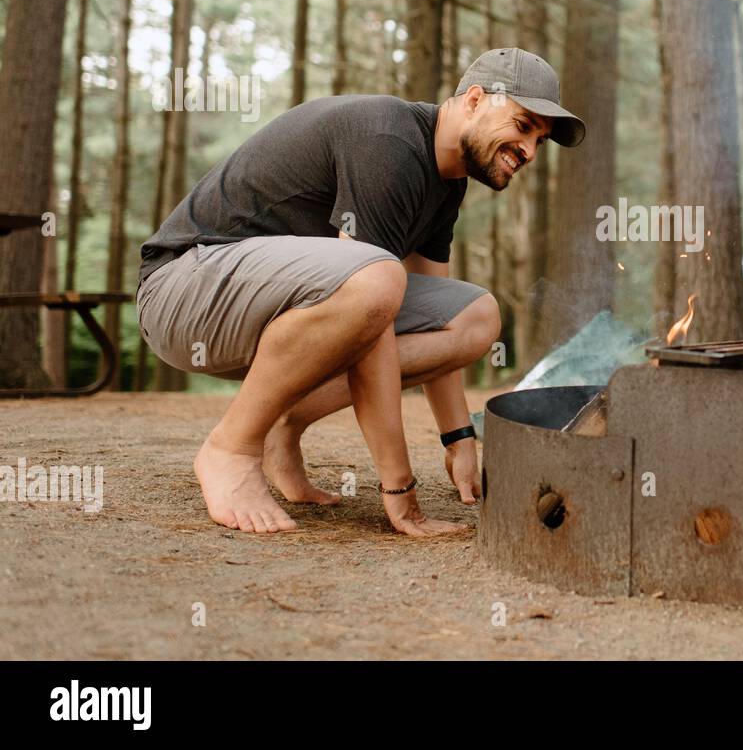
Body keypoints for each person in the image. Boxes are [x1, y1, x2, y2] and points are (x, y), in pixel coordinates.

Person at [135, 48, 584, 536]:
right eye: (522, 125)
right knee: (376, 279)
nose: (530, 151)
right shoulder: (386, 140)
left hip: (264, 309)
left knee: (475, 315)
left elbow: (433, 311)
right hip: (184, 289)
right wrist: (399, 489)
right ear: (474, 99)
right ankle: (231, 448)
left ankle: (283, 423)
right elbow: (374, 314)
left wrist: (458, 437)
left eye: (539, 139)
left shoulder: (446, 182)